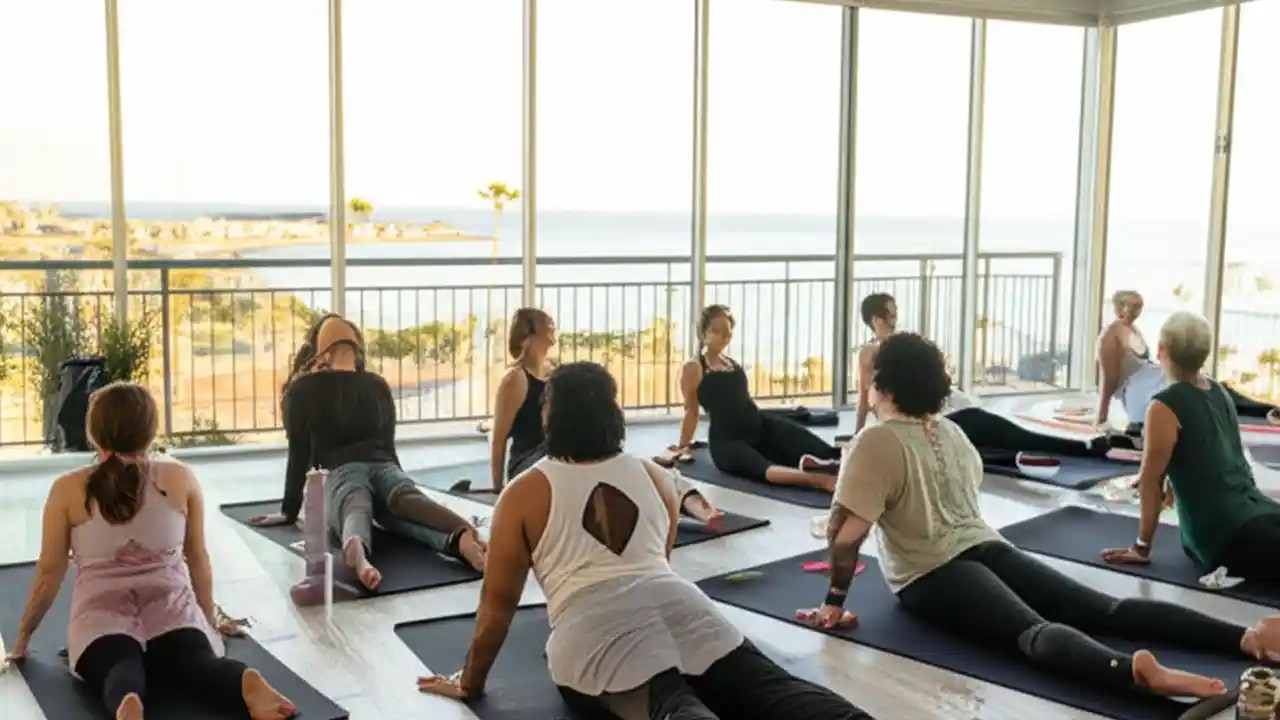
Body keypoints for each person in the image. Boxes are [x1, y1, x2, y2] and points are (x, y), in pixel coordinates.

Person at [807, 332, 1280, 700]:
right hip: (986, 544)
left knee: (1028, 632)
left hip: (929, 574)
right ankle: (1245, 638)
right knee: (1105, 609)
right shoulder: (950, 431)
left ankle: (1129, 670)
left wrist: (834, 599)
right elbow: (966, 492)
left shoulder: (874, 441)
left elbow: (846, 536)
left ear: (882, 384)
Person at [417, 362, 872, 720]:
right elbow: (659, 560)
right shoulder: (656, 475)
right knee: (775, 692)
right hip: (683, 607)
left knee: (669, 706)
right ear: (612, 415)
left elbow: (497, 607)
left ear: (547, 416)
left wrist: (469, 682)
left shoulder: (523, 493)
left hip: (594, 636)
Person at [6, 383, 296, 720]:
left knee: (117, 663)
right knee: (195, 661)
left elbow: (49, 573)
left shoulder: (68, 490)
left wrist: (24, 636)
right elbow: (197, 557)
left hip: (101, 613)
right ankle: (244, 681)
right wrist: (207, 621)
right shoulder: (179, 479)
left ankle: (128, 701)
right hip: (171, 606)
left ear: (94, 433)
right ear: (150, 430)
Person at [246, 314, 487, 590]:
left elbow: (299, 454)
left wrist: (289, 511)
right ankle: (462, 537)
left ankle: (359, 551)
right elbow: (388, 449)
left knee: (356, 502)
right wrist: (396, 486)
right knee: (401, 503)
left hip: (345, 470)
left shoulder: (304, 389)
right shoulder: (376, 385)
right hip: (381, 467)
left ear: (320, 351)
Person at [1100, 312, 1280, 581]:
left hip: (1237, 522)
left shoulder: (1165, 405)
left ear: (1161, 350)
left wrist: (1142, 546)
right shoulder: (1216, 392)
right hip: (1235, 524)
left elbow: (1151, 481)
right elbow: (1168, 472)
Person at [673, 305, 841, 492]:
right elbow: (692, 411)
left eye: (728, 333)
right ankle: (818, 480)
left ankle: (834, 466)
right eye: (716, 331)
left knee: (819, 447)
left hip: (759, 425)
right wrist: (682, 447)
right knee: (763, 468)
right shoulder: (694, 367)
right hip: (728, 442)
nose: (724, 337)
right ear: (703, 333)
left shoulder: (730, 363)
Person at [489, 308, 556, 491]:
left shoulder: (553, 373)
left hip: (551, 460)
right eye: (546, 323)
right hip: (528, 464)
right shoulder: (516, 379)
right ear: (530, 332)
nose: (552, 324)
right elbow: (499, 439)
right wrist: (498, 489)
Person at [1097, 290, 1166, 429]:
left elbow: (1146, 362)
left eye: (1139, 306)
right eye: (1132, 305)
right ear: (1119, 306)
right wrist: (1102, 414)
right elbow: (1109, 377)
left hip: (1152, 381)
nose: (1136, 310)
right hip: (1137, 390)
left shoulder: (1135, 330)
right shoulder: (1111, 333)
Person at [855, 293, 896, 432]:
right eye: (891, 316)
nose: (894, 321)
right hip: (886, 419)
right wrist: (857, 432)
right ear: (876, 320)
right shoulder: (869, 352)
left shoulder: (904, 346)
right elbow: (864, 398)